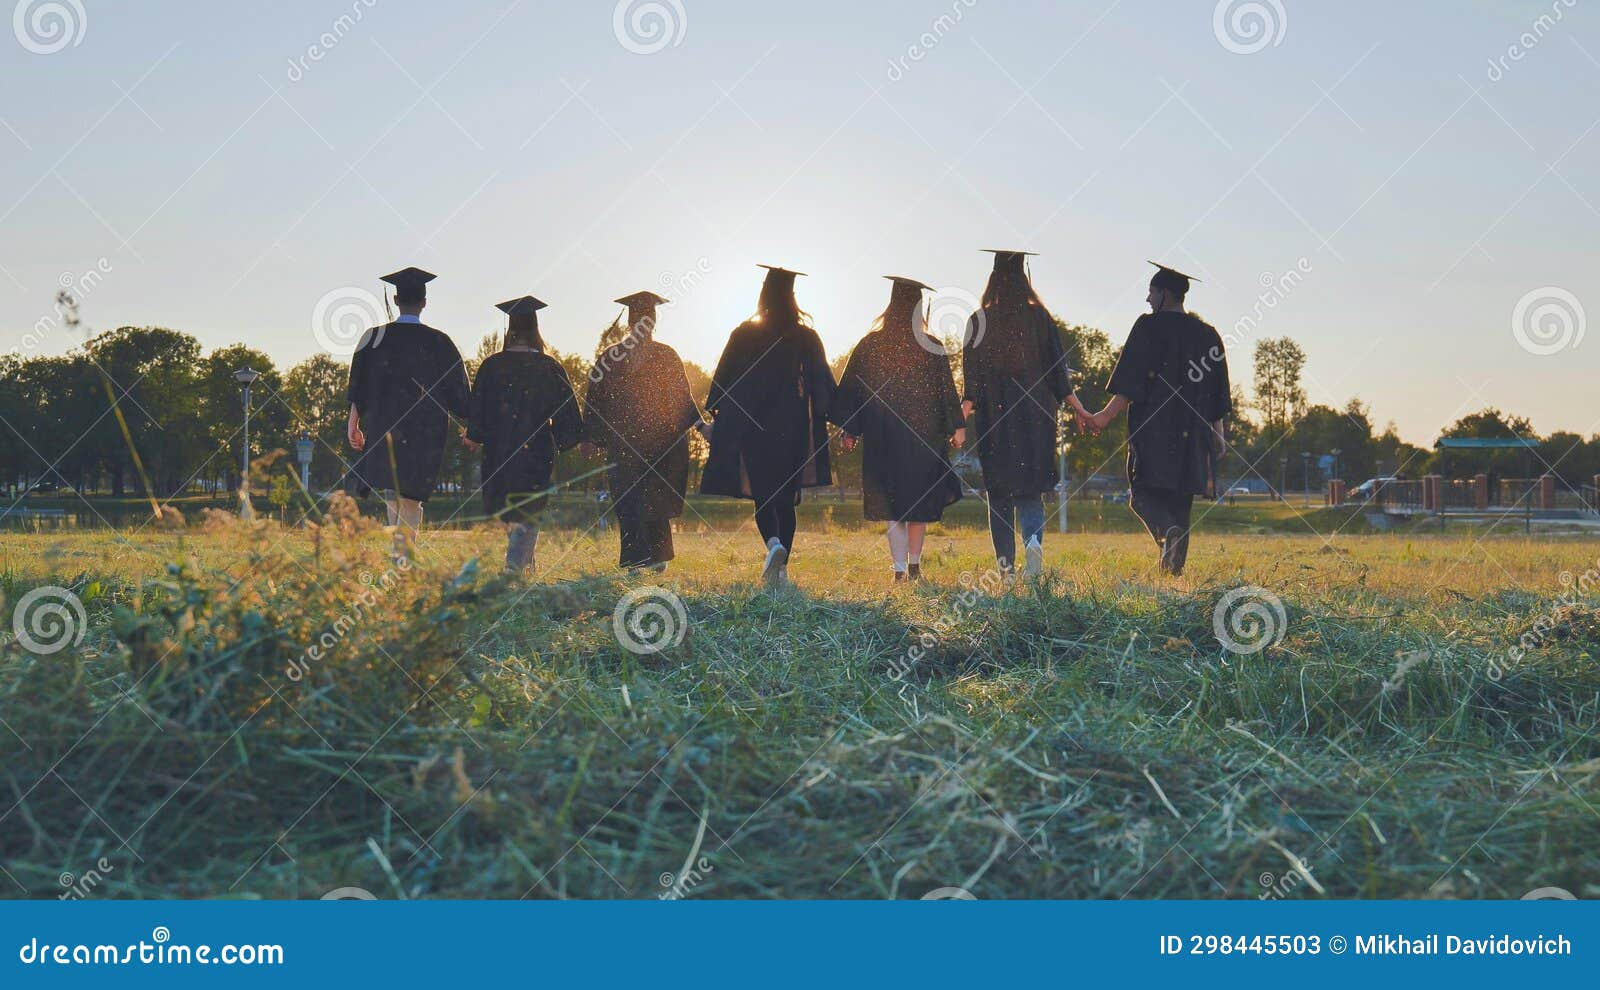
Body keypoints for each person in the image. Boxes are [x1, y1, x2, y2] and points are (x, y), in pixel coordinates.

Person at [1090, 262, 1232, 577]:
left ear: (1165, 293)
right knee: (1181, 502)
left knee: (1141, 495)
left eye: (1151, 292)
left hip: (1152, 430)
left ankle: (1166, 532)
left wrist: (1103, 417)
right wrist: (1218, 433)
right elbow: (1217, 391)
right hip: (1192, 432)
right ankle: (1172, 575)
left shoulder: (1147, 328)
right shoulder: (1208, 335)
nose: (1148, 300)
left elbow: (1129, 384)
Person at [700, 265, 836, 589]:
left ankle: (773, 544)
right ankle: (782, 569)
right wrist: (842, 417)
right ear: (792, 296)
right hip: (791, 425)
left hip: (752, 423)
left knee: (763, 494)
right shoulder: (805, 336)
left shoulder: (744, 333)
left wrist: (719, 417)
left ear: (764, 294)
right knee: (786, 498)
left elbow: (724, 379)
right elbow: (822, 382)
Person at [962, 250, 1093, 577]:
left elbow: (972, 384)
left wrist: (958, 419)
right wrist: (1081, 410)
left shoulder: (979, 320)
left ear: (993, 278)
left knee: (1000, 497)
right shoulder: (1040, 319)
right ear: (1024, 279)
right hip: (1037, 419)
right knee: (1031, 492)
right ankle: (1033, 547)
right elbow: (1058, 374)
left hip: (996, 421)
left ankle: (1005, 570)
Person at [831, 276, 965, 582]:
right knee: (918, 502)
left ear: (891, 306)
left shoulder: (871, 344)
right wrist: (957, 426)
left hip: (884, 435)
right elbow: (946, 389)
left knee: (893, 504)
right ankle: (915, 565)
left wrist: (851, 429)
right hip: (924, 437)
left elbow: (854, 389)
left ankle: (899, 570)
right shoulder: (931, 345)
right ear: (920, 308)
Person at [346, 267, 470, 561]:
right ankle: (403, 557)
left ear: (396, 298)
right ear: (424, 302)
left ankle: (399, 556)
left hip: (383, 425)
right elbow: (460, 392)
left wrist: (353, 424)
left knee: (393, 488)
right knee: (411, 494)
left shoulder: (373, 337)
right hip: (425, 430)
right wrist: (471, 424)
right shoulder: (440, 342)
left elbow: (358, 386)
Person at [581, 291, 703, 572]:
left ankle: (657, 557)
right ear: (635, 324)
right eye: (641, 323)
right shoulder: (611, 358)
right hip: (625, 442)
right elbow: (596, 399)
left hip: (660, 442)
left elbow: (681, 399)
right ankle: (636, 560)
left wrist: (699, 426)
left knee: (654, 498)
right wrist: (589, 435)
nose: (643, 328)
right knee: (628, 500)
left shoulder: (665, 356)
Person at [464, 296, 583, 574]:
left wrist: (473, 434)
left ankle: (516, 566)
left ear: (510, 330)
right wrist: (575, 439)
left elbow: (477, 409)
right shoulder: (549, 367)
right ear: (535, 330)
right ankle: (517, 566)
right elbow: (567, 412)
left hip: (498, 449)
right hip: (536, 450)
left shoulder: (491, 366)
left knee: (510, 509)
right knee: (528, 508)